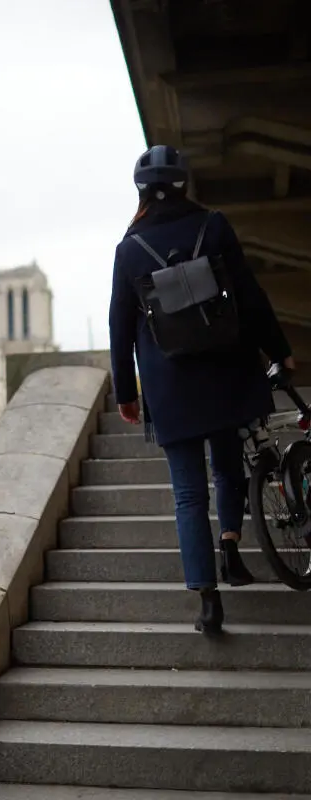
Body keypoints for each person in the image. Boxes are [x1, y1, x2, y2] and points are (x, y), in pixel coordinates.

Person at [109, 144, 295, 635]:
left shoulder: (129, 250)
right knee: (228, 467)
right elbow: (250, 296)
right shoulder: (212, 226)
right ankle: (231, 549)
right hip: (226, 370)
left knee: (188, 495)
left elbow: (120, 327)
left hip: (170, 385)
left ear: (142, 191)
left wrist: (126, 392)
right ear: (185, 183)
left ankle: (207, 601)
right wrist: (279, 349)